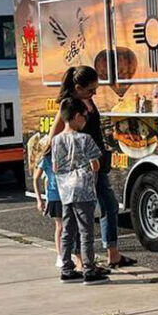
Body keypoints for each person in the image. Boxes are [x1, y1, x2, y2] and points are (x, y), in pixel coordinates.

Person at [47, 65, 137, 269]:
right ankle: (81, 261)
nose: (94, 93)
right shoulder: (69, 105)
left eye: (96, 89)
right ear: (78, 88)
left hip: (97, 164)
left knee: (109, 205)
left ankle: (112, 253)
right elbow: (55, 139)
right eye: (90, 90)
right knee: (79, 214)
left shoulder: (87, 99)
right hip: (80, 170)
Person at [50, 97, 107, 285]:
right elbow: (95, 164)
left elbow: (55, 166)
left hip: (65, 190)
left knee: (68, 230)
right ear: (76, 116)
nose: (85, 120)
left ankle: (66, 269)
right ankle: (89, 270)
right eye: (84, 116)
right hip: (83, 189)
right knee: (86, 231)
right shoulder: (85, 139)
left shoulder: (56, 140)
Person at [33, 134, 76, 270]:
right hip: (54, 197)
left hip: (67, 195)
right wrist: (39, 199)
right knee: (60, 226)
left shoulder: (66, 157)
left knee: (70, 226)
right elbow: (36, 178)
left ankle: (69, 253)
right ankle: (60, 255)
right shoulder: (45, 159)